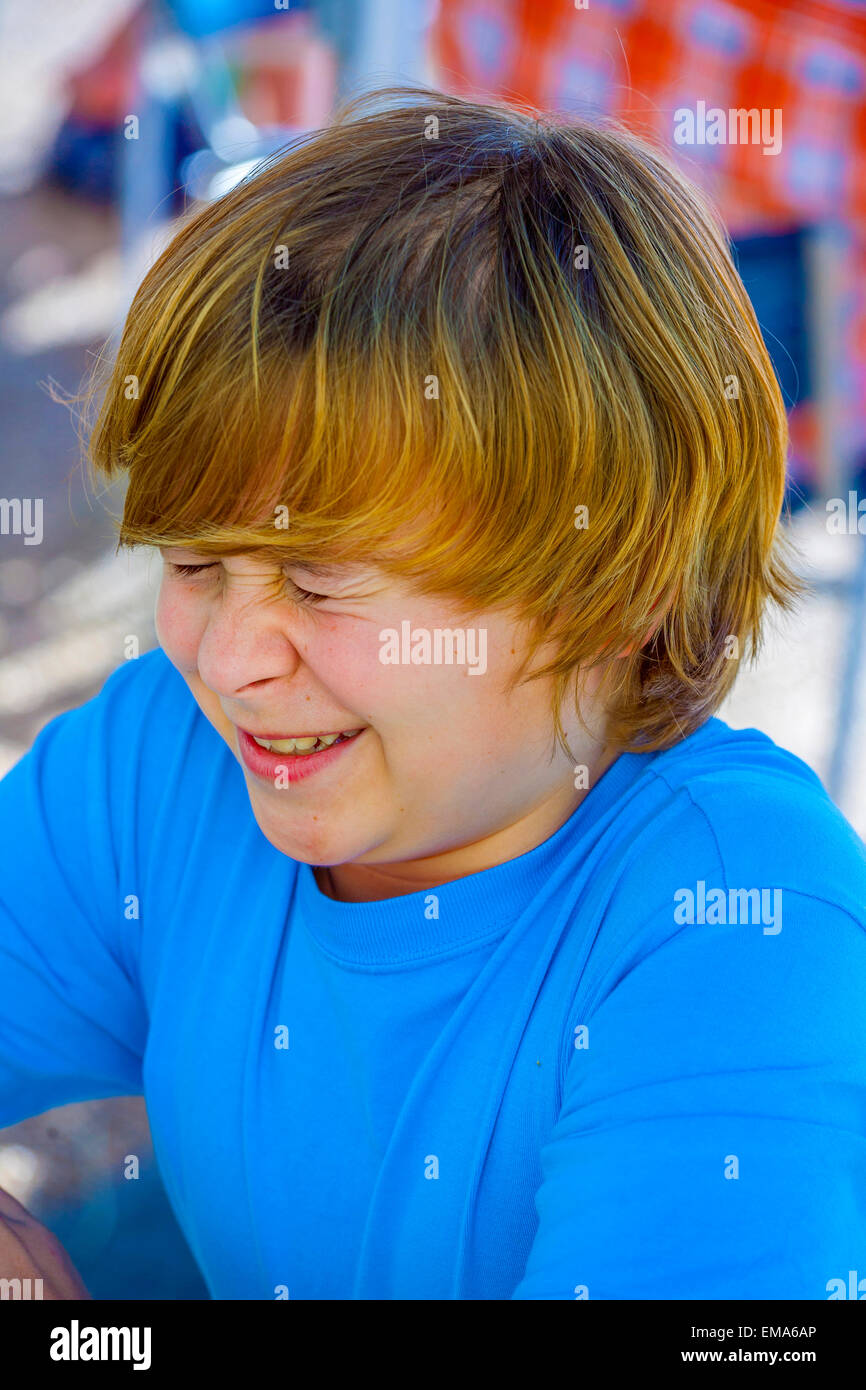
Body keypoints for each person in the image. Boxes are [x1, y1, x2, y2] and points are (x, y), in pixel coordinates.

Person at [2, 84, 865, 1301]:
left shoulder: (737, 919)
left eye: (319, 580)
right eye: (195, 561)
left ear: (607, 590)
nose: (232, 658)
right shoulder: (167, 760)